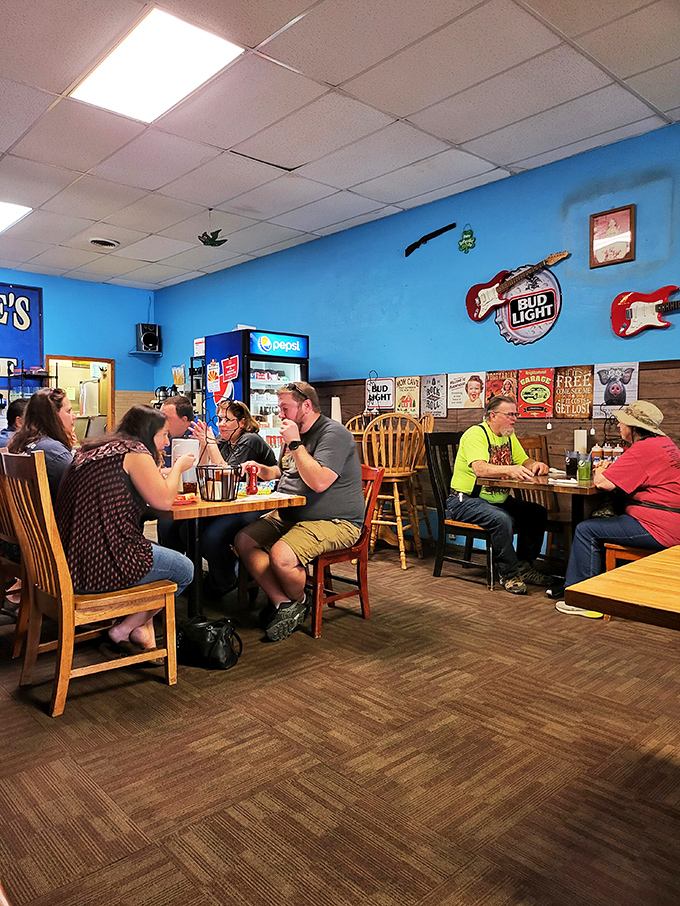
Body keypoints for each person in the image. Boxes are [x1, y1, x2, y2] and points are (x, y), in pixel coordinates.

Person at [56, 405, 195, 658]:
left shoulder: (91, 450)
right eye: (163, 435)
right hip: (99, 564)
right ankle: (124, 629)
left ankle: (142, 629)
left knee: (152, 552)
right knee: (184, 570)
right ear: (147, 433)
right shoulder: (135, 452)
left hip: (68, 560)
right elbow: (164, 501)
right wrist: (178, 468)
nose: (166, 441)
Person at [235, 381, 364, 641]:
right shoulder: (294, 434)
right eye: (279, 408)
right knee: (243, 540)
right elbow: (284, 472)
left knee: (281, 556)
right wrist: (263, 470)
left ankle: (300, 599)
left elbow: (318, 482)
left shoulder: (333, 434)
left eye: (285, 408)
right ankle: (286, 603)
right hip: (291, 513)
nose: (280, 415)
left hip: (336, 521)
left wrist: (295, 444)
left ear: (306, 406)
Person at [554, 401, 680, 619]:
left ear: (634, 427)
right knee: (598, 523)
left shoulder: (643, 449)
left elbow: (603, 483)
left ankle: (582, 598)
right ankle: (603, 587)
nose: (619, 426)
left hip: (659, 527)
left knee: (586, 530)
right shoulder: (665, 444)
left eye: (622, 422)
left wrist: (601, 469)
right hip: (670, 522)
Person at [447, 395, 550, 594]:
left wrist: (536, 465)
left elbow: (524, 460)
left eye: (515, 414)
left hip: (496, 500)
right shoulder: (475, 434)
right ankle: (509, 575)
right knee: (501, 519)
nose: (515, 418)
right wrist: (510, 470)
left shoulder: (508, 435)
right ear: (492, 416)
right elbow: (480, 469)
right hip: (465, 500)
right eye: (510, 414)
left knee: (536, 512)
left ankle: (524, 566)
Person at [187, 399, 277, 596]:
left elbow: (227, 475)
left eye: (227, 420)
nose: (221, 424)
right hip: (235, 503)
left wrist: (210, 444)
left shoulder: (250, 439)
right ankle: (219, 575)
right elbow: (204, 471)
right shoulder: (224, 441)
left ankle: (226, 580)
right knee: (189, 528)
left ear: (242, 423)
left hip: (261, 505)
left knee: (213, 536)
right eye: (219, 419)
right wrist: (204, 444)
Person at [8, 388, 76, 500]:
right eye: (68, 411)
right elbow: (73, 497)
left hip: (28, 517)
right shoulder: (55, 453)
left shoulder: (20, 443)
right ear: (54, 417)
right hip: (54, 517)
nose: (74, 416)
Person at [157, 395, 195, 550]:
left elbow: (199, 470)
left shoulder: (198, 434)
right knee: (164, 523)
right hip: (168, 496)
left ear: (184, 420)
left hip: (189, 497)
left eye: (166, 417)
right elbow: (154, 470)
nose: (161, 421)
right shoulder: (161, 434)